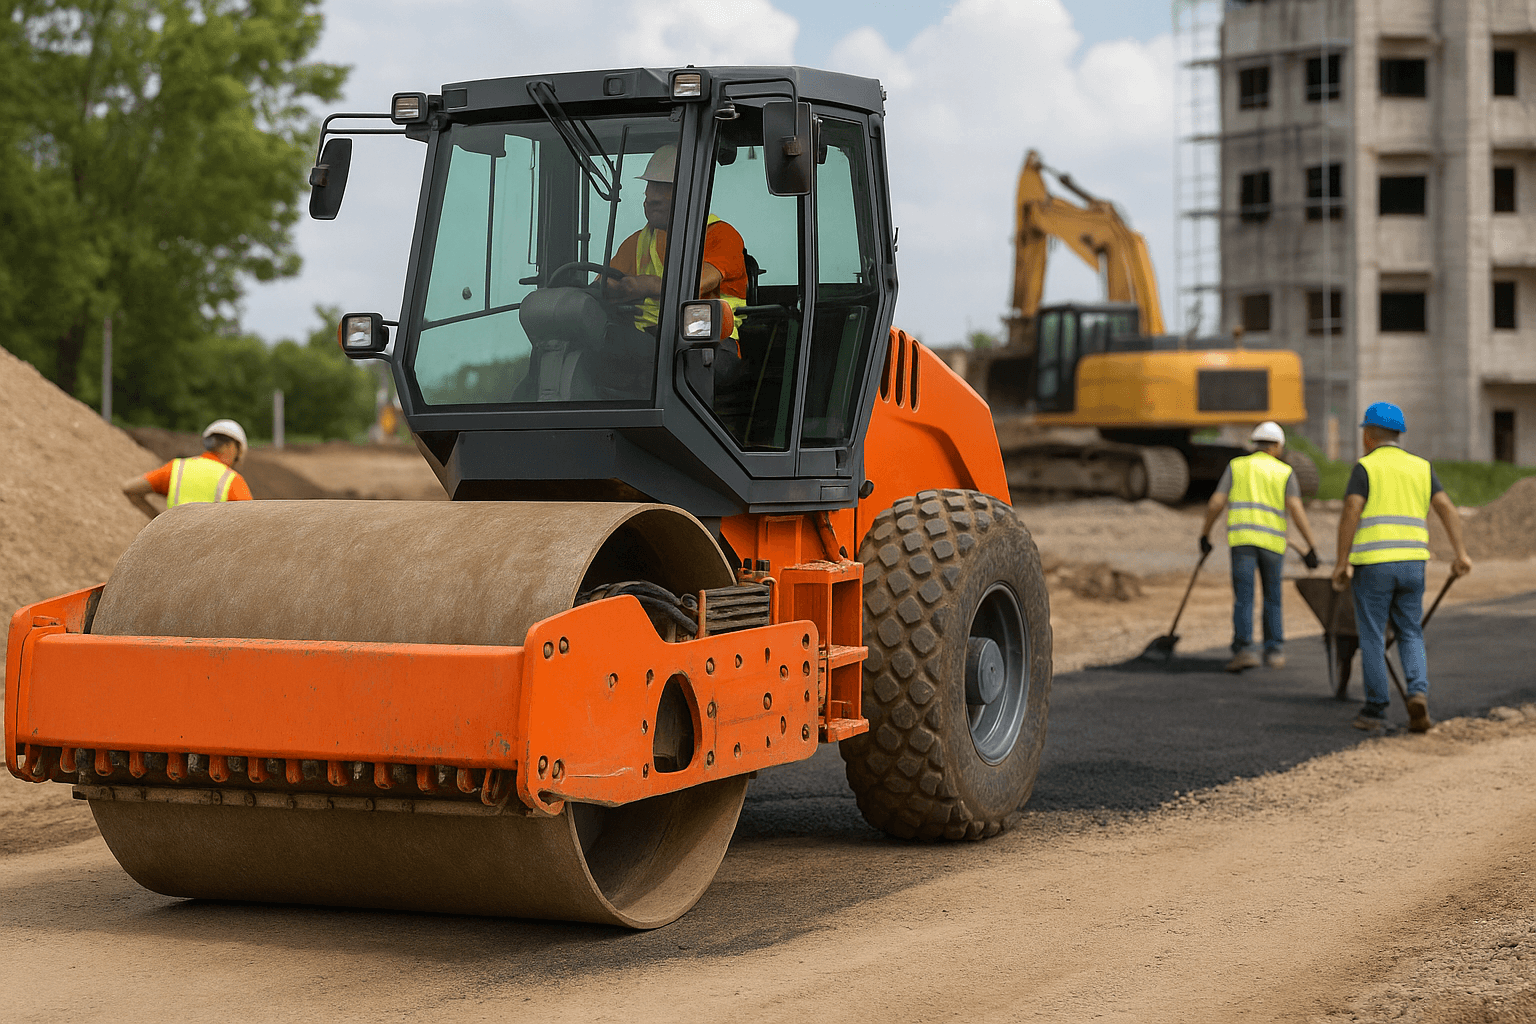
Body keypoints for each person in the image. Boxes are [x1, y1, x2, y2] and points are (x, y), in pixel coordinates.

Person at [1332, 402, 1472, 733]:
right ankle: (1418, 694)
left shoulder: (1365, 468)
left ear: (1368, 435)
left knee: (1372, 635)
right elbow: (1447, 509)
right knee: (1411, 631)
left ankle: (1375, 710)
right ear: (1400, 435)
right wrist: (1461, 553)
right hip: (1413, 563)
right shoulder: (1422, 467)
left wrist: (1341, 562)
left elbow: (1352, 509)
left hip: (1374, 566)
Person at [606, 143, 749, 360]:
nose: (650, 198)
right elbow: (603, 284)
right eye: (650, 188)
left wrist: (648, 285)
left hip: (710, 344)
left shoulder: (721, 235)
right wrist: (611, 288)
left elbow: (699, 282)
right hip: (650, 340)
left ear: (689, 192)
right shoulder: (638, 241)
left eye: (663, 187)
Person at [1199, 421, 1321, 672]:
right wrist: (1311, 547)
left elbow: (1216, 503)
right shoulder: (1284, 472)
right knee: (1272, 598)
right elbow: (1296, 509)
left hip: (1242, 541)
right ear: (1276, 446)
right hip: (1273, 544)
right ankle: (1274, 651)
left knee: (1244, 598)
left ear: (1256, 443)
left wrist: (1205, 534)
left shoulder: (1237, 467)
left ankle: (1244, 650)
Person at [122, 419, 252, 518]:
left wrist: (159, 523)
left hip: (173, 547)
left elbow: (129, 488)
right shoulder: (233, 481)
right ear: (231, 446)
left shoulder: (176, 469)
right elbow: (252, 524)